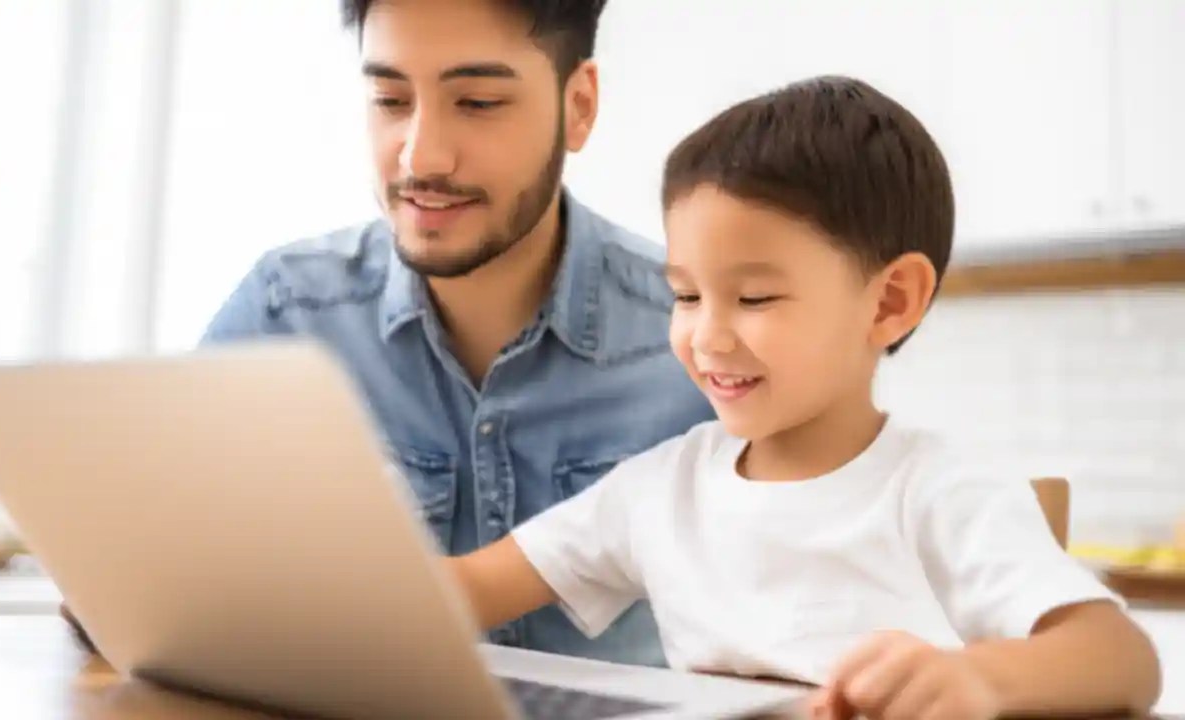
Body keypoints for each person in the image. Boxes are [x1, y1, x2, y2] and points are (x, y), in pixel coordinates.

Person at [442, 76, 1163, 719]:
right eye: (686, 295)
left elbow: (1123, 658)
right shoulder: (660, 489)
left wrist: (977, 679)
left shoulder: (940, 491)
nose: (708, 337)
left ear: (889, 303)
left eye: (754, 297)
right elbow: (458, 592)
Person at [188, 0, 712, 666]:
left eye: (478, 103)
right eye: (389, 99)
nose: (421, 156)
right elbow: (163, 573)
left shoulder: (700, 338)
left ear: (578, 106)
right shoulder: (286, 314)